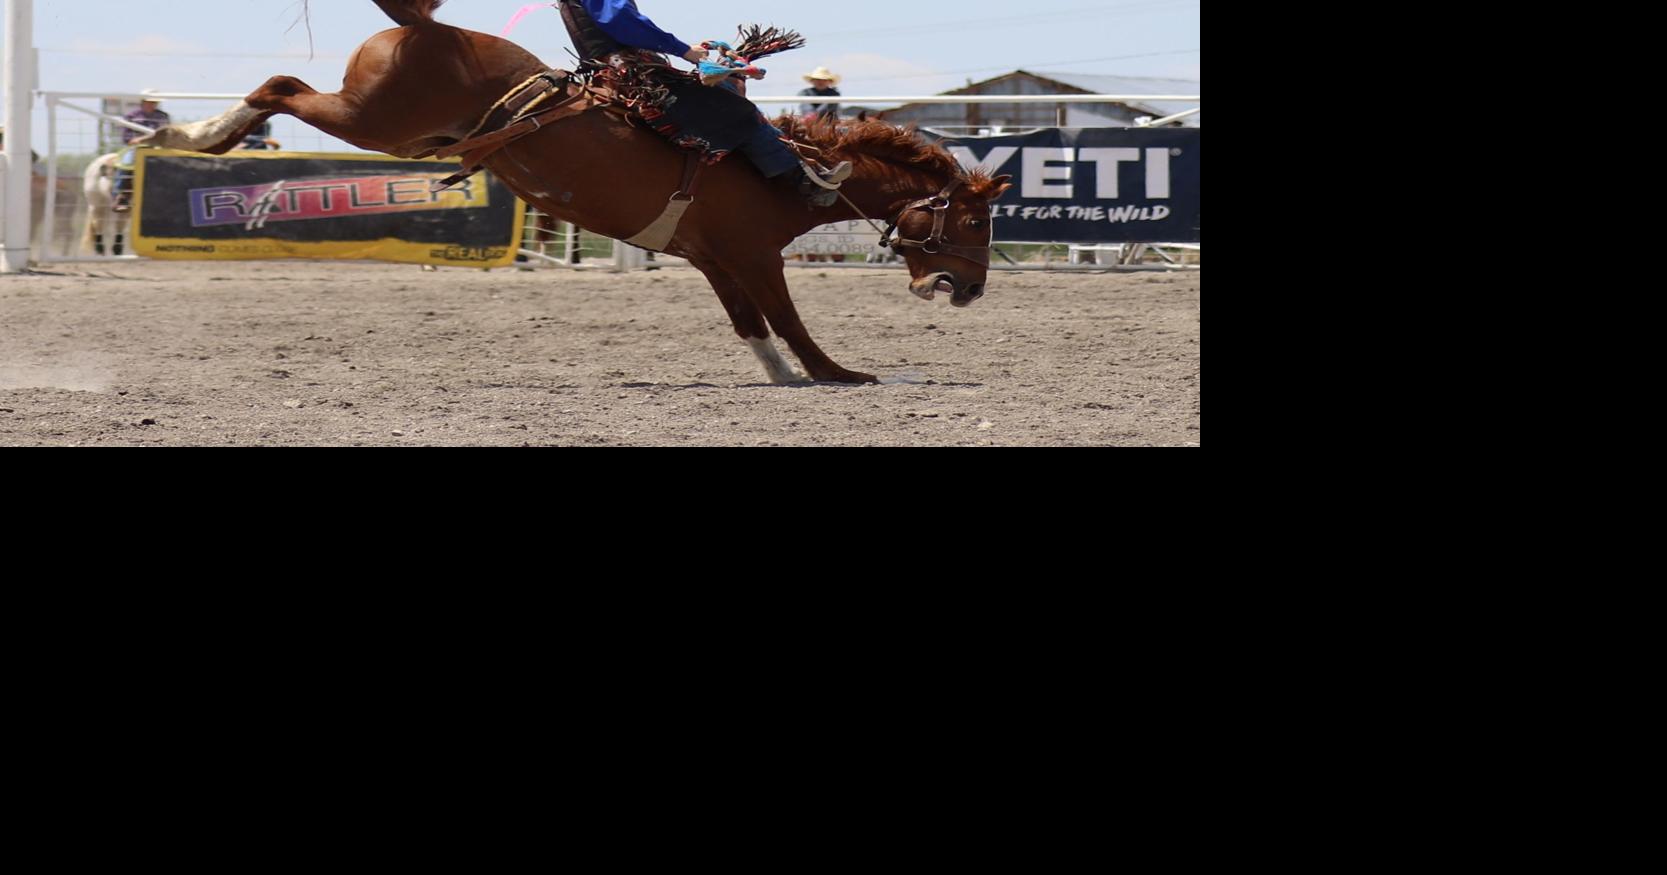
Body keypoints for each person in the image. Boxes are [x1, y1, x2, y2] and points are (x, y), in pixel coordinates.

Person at [556, 0, 851, 206]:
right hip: (633, 73)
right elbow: (622, 22)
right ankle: (801, 181)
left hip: (614, 71)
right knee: (734, 110)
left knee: (721, 96)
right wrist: (681, 49)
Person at [112, 96, 170, 212]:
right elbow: (127, 138)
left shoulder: (163, 117)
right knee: (126, 165)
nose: (152, 104)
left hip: (158, 148)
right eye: (150, 102)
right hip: (137, 148)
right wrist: (139, 140)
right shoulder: (132, 116)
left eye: (155, 102)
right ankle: (122, 196)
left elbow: (167, 134)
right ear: (143, 102)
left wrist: (146, 139)